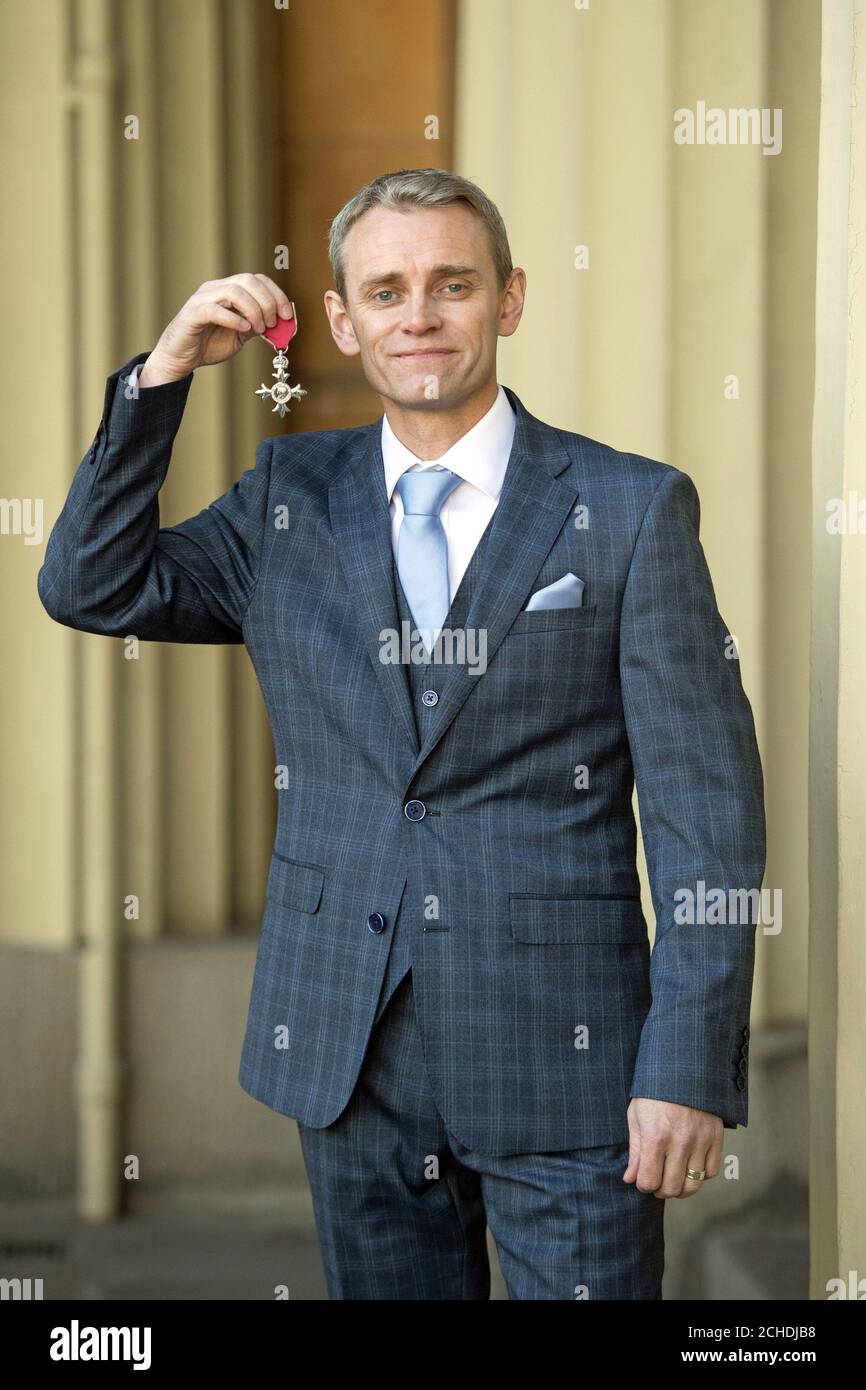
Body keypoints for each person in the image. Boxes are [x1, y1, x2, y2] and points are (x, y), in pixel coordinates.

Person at [38, 167, 766, 1300]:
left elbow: (704, 811)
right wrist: (161, 377)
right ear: (342, 320)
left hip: (570, 1062)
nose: (417, 315)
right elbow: (92, 584)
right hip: (348, 1046)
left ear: (508, 300)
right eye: (383, 291)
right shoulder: (289, 492)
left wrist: (688, 1064)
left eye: (450, 284)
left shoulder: (629, 508)